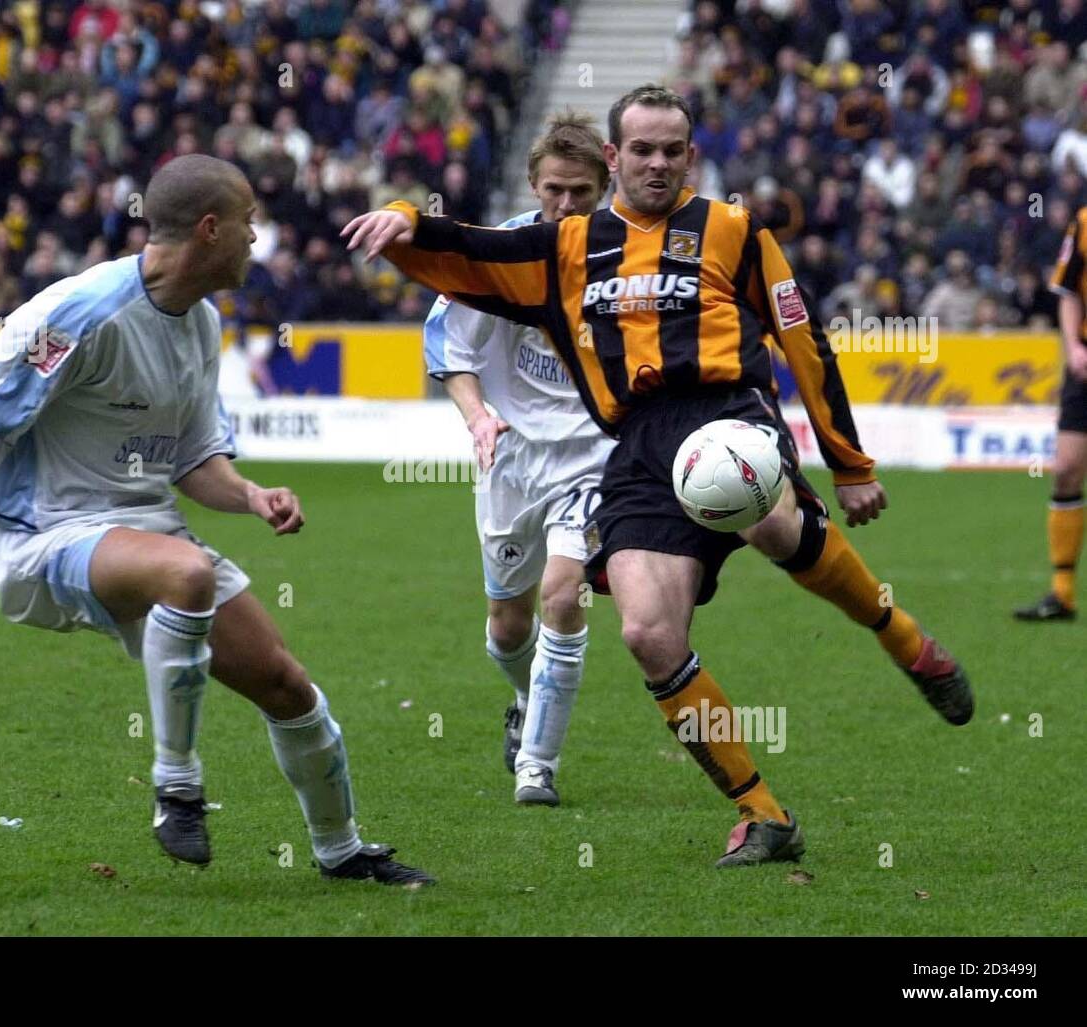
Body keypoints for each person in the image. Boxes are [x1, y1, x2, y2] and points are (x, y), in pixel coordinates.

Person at [345, 84, 973, 867]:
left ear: (691, 156)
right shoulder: (566, 249)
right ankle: (764, 814)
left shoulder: (735, 230)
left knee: (772, 521)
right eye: (640, 149)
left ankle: (904, 639)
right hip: (638, 445)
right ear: (613, 157)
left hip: (729, 412)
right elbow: (468, 253)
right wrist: (407, 217)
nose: (656, 163)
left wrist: (849, 464)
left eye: (672, 150)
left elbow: (802, 339)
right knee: (646, 632)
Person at [0, 154, 432, 888]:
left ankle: (342, 851)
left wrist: (250, 495)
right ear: (210, 229)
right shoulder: (76, 313)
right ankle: (176, 786)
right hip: (42, 536)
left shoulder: (201, 323)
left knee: (286, 685)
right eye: (249, 224)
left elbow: (193, 461)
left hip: (145, 534)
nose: (257, 239)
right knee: (188, 573)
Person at [423, 111, 615, 807]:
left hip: (595, 456)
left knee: (564, 596)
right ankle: (523, 698)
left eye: (582, 193)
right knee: (509, 623)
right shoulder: (500, 254)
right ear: (534, 184)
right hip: (510, 456)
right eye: (555, 190)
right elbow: (450, 347)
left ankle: (537, 762)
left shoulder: (627, 259)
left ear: (606, 186)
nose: (566, 206)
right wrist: (478, 417)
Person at [1015, 204, 1087, 621]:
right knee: (1066, 469)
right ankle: (1063, 594)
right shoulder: (1083, 222)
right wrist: (1074, 347)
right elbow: (1068, 291)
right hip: (1085, 364)